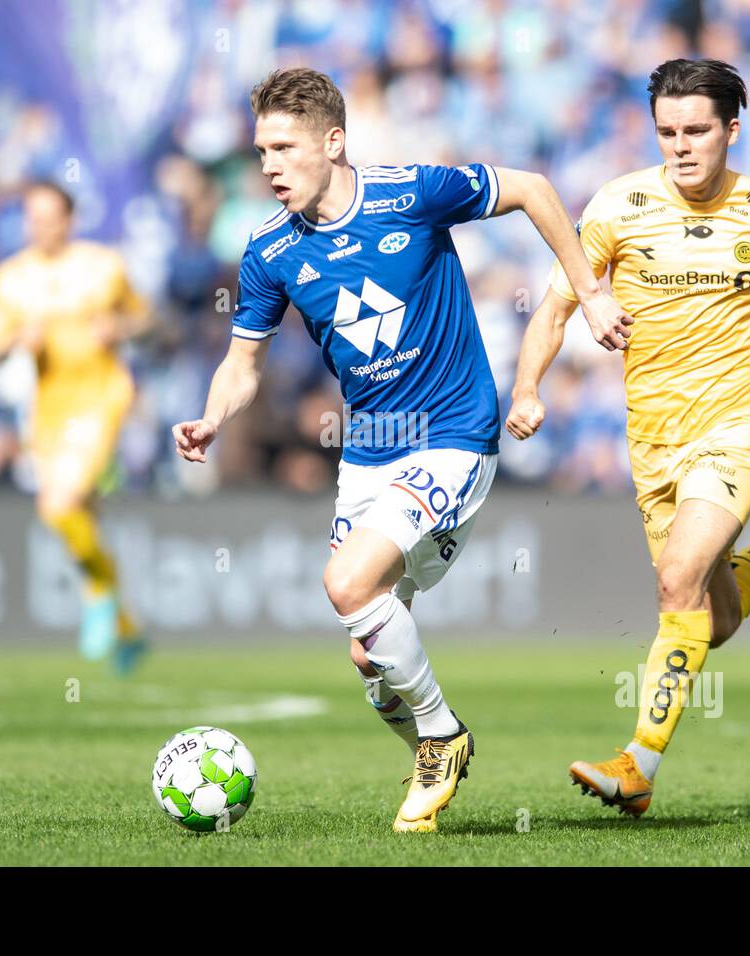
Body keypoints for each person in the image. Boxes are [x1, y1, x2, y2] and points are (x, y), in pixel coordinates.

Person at [172, 67, 602, 833]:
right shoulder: (270, 250)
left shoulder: (411, 192)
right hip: (368, 454)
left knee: (345, 583)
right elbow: (244, 362)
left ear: (333, 142)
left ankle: (442, 734)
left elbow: (534, 187)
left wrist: (589, 291)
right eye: (260, 149)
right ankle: (434, 749)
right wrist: (211, 419)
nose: (268, 165)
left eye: (284, 147)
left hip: (453, 432)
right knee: (371, 663)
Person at [507, 59, 750, 817]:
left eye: (697, 130)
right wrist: (528, 388)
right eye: (667, 132)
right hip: (653, 442)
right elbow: (553, 310)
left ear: (732, 130)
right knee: (716, 618)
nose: (680, 146)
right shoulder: (617, 207)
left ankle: (638, 764)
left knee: (677, 581)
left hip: (737, 428)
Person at [0, 181, 152, 672]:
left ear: (69, 218)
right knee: (81, 516)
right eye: (32, 216)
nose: (41, 225)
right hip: (49, 406)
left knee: (57, 505)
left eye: (50, 215)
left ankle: (100, 599)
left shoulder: (102, 265)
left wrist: (119, 328)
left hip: (101, 396)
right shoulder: (11, 278)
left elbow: (146, 319)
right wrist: (17, 338)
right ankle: (126, 628)